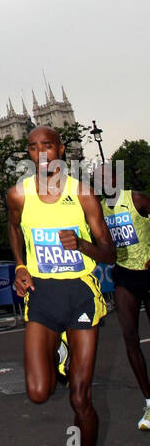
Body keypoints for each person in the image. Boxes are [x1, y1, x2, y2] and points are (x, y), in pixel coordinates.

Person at [6, 127, 115, 446]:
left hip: (80, 293)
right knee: (37, 392)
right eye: (33, 148)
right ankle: (61, 350)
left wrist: (81, 245)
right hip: (43, 297)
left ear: (60, 149)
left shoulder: (83, 193)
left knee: (80, 396)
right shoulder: (19, 193)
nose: (40, 153)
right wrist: (19, 265)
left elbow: (109, 253)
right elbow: (13, 227)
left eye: (46, 145)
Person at [98, 162, 150, 430]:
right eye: (99, 178)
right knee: (130, 338)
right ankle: (149, 402)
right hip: (125, 276)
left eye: (108, 176)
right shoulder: (101, 209)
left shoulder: (137, 198)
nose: (104, 181)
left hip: (148, 271)